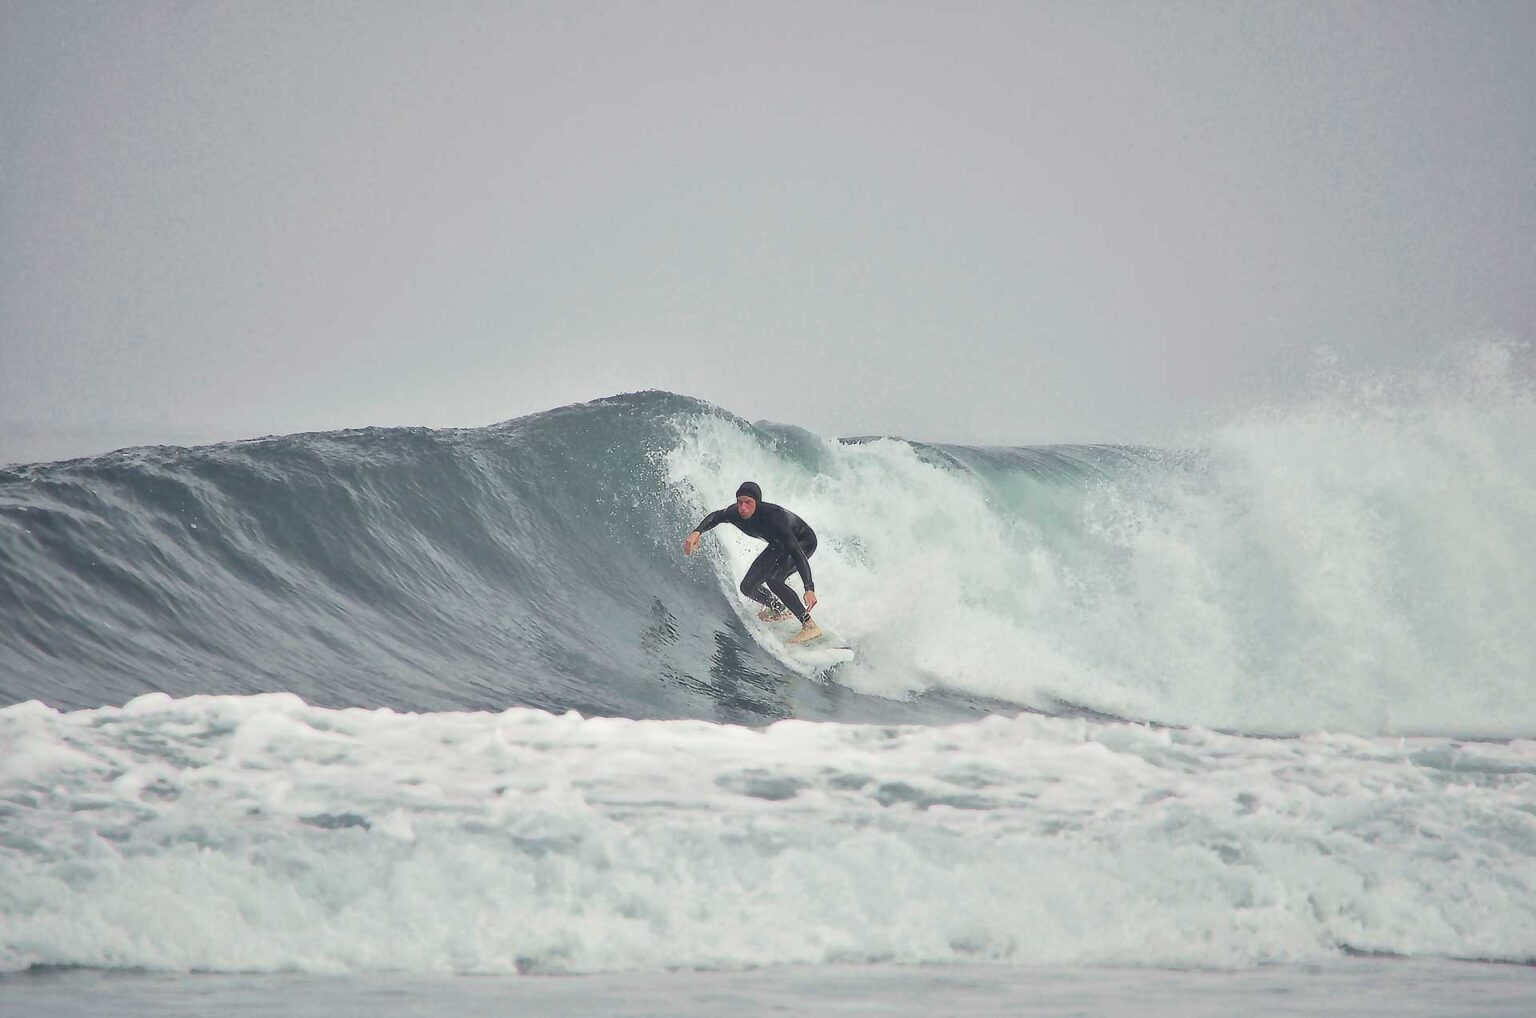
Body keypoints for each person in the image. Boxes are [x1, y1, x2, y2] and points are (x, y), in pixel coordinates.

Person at [683, 481, 822, 644]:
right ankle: (779, 609)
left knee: (774, 579)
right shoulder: (735, 513)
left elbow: (797, 552)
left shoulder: (774, 516)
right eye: (740, 502)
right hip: (778, 544)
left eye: (748, 502)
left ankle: (809, 624)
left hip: (803, 541)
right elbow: (715, 516)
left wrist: (809, 588)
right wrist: (697, 532)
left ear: (757, 502)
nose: (743, 507)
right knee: (747, 587)